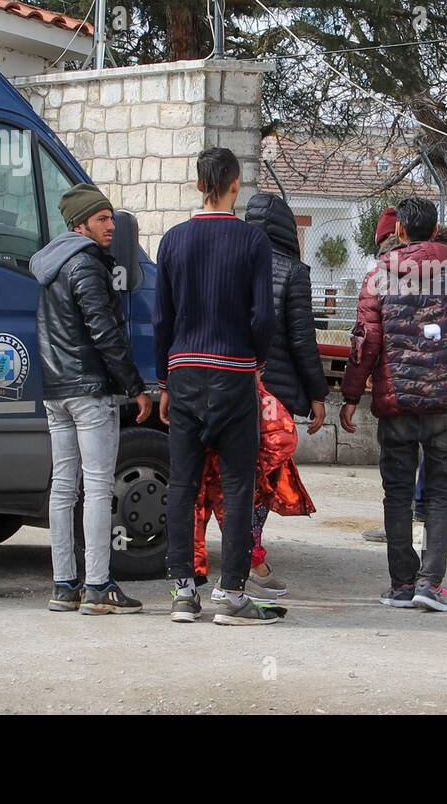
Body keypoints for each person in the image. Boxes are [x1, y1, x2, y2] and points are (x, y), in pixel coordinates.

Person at [341, 198, 447, 612]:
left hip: (398, 402)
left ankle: (401, 585)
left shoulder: (380, 275)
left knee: (397, 494)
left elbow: (365, 341)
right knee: (442, 492)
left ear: (401, 231)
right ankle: (430, 583)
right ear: (436, 231)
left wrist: (352, 396)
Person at [154, 147, 282, 627]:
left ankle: (183, 591)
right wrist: (256, 361)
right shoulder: (253, 242)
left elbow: (161, 318)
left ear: (197, 184)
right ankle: (231, 595)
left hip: (184, 371)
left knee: (183, 483)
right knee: (237, 484)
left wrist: (164, 380)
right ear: (236, 183)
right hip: (233, 371)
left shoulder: (173, 241)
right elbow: (263, 316)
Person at [30, 183, 152, 616]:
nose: (111, 225)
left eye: (112, 218)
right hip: (88, 390)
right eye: (102, 219)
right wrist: (135, 386)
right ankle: (98, 586)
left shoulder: (50, 264)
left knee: (63, 488)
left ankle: (64, 586)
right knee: (98, 487)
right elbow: (104, 332)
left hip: (55, 391)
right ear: (80, 223)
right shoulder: (85, 264)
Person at [241, 191, 329, 597]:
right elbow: (302, 339)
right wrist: (317, 394)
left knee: (231, 476)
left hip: (231, 386)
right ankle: (252, 555)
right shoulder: (293, 271)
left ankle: (239, 556)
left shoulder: (233, 263)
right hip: (273, 397)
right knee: (264, 479)